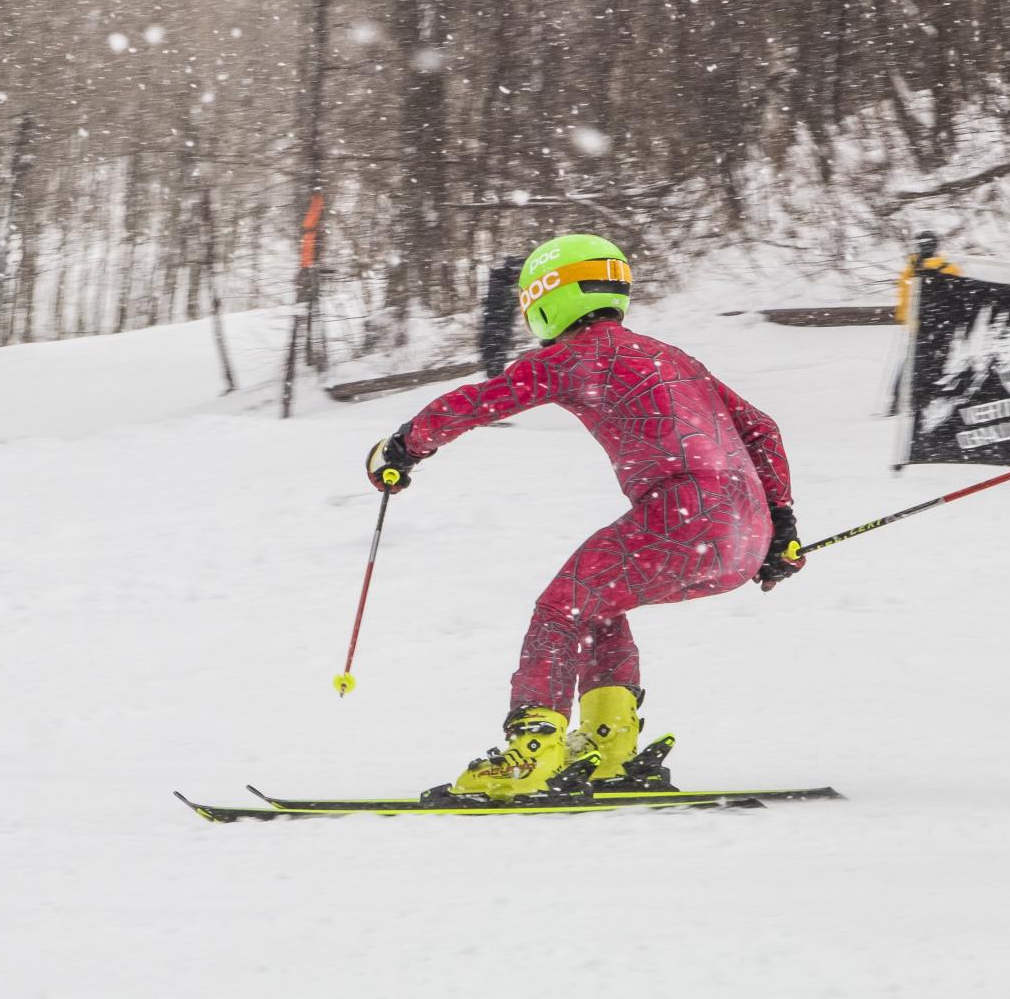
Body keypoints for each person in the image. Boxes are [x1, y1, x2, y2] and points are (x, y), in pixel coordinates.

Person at [365, 233, 803, 800]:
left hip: (680, 514)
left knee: (559, 608)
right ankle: (610, 748)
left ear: (549, 295)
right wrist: (781, 527)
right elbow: (761, 429)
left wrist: (405, 446)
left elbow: (481, 401)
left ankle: (533, 753)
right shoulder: (671, 356)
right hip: (745, 532)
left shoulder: (577, 356)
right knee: (596, 603)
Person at [885, 230, 961, 416]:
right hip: (935, 324)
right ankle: (915, 400)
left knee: (916, 363)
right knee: (930, 363)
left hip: (929, 323)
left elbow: (904, 294)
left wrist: (904, 316)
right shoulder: (942, 268)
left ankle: (904, 400)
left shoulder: (915, 269)